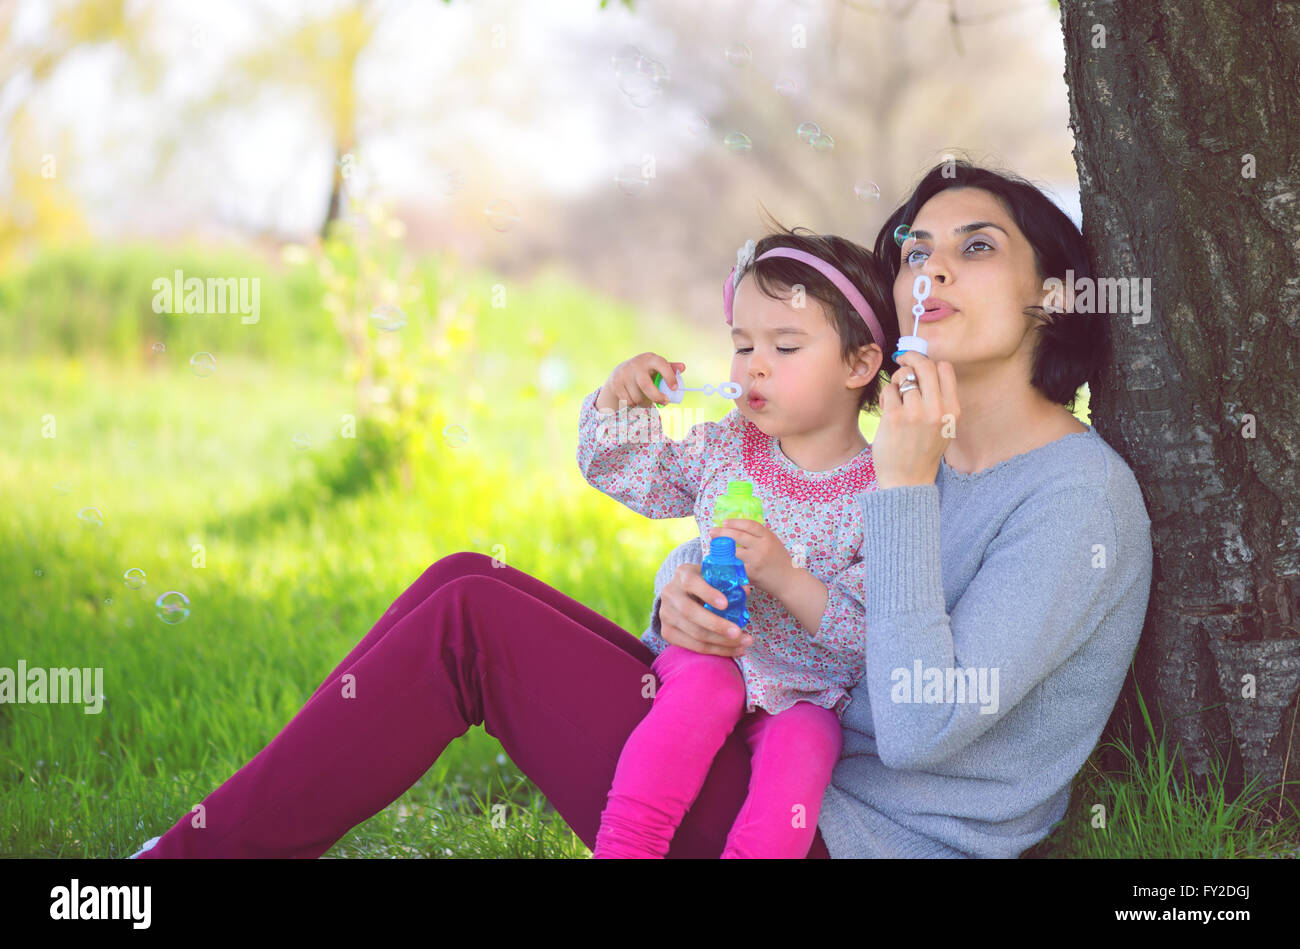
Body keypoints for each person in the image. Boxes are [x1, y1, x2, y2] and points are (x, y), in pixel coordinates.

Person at [131, 159, 1152, 860]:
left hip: (830, 830)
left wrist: (893, 494)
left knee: (468, 624)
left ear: (1051, 296)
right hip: (753, 751)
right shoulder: (912, 453)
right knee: (463, 581)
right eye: (914, 245)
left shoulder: (1072, 497)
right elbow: (795, 574)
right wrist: (678, 594)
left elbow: (923, 726)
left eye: (974, 247)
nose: (928, 266)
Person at [580, 224, 901, 858]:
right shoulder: (729, 446)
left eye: (785, 347)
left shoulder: (884, 492)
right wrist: (622, 401)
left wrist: (784, 575)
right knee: (708, 687)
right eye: (743, 343)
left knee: (808, 746)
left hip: (807, 692)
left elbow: (870, 637)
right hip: (707, 653)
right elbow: (628, 474)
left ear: (860, 364)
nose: (753, 365)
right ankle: (625, 847)